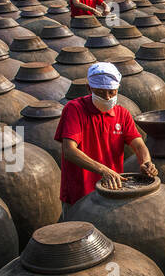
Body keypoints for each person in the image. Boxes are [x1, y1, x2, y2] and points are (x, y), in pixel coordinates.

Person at [54, 62, 156, 215]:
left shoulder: (122, 114)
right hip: (79, 193)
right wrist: (103, 170)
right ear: (89, 89)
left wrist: (145, 162)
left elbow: (139, 144)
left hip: (111, 194)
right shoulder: (74, 109)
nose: (107, 97)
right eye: (101, 93)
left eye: (112, 92)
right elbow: (69, 150)